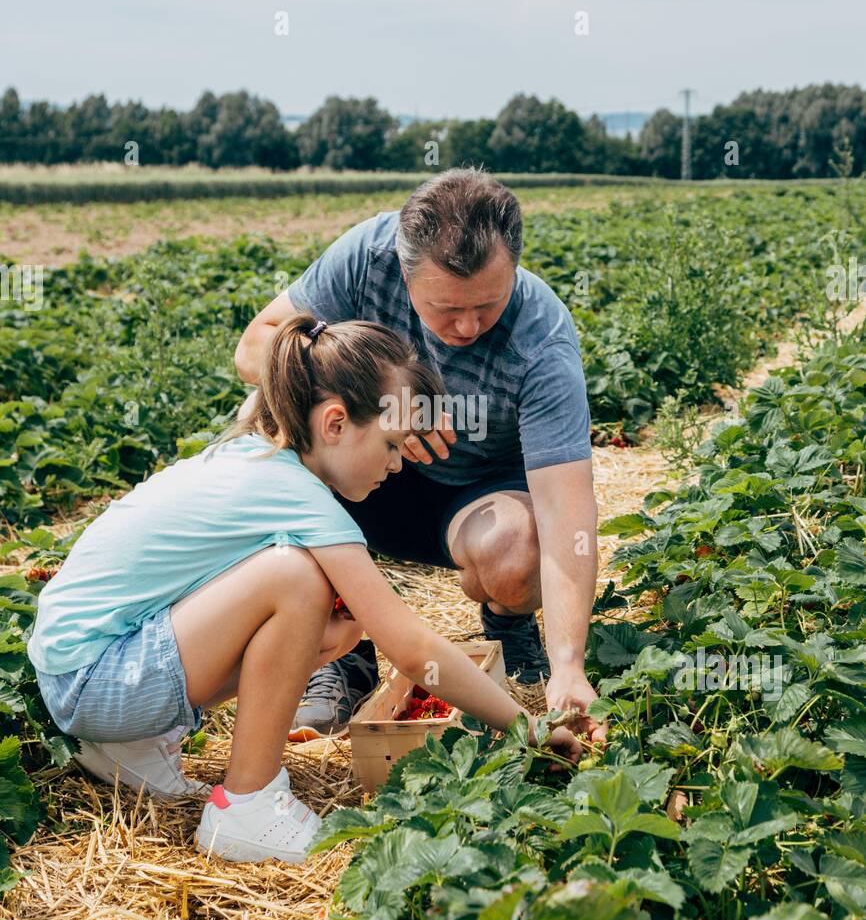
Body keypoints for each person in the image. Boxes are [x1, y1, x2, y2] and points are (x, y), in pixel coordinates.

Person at [26, 314, 589, 865]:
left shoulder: (255, 455)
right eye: (392, 445)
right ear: (336, 424)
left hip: (82, 668)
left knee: (330, 620)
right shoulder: (297, 494)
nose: (397, 466)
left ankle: (130, 747)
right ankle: (245, 803)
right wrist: (527, 727)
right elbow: (413, 650)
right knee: (296, 578)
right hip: (96, 684)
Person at [235, 166, 602, 742]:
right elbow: (256, 348)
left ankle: (508, 625)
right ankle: (337, 651)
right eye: (445, 307)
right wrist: (382, 405)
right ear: (404, 276)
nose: (467, 325)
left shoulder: (543, 339)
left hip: (472, 492)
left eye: (487, 304)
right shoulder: (366, 257)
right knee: (272, 414)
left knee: (517, 549)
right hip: (355, 480)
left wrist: (569, 666)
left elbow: (567, 512)